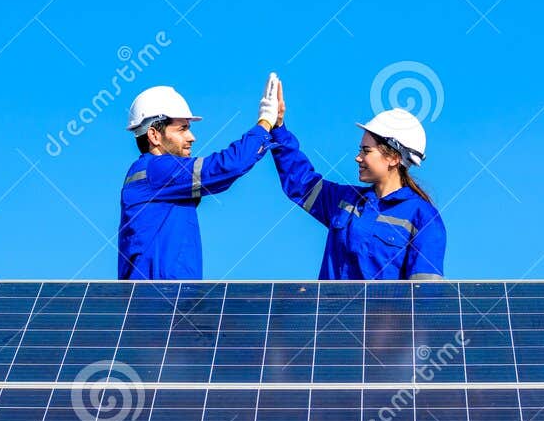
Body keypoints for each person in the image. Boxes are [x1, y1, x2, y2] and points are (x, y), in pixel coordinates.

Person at [268, 87, 446, 281]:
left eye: (366, 151)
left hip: (384, 313)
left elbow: (424, 295)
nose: (358, 158)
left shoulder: (422, 217)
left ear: (393, 158)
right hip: (330, 312)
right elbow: (300, 182)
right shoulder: (344, 201)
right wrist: (278, 128)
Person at [117, 79, 281, 280]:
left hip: (166, 300)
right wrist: (264, 124)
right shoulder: (156, 170)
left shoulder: (152, 175)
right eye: (182, 129)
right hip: (159, 302)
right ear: (154, 135)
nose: (191, 137)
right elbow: (228, 166)